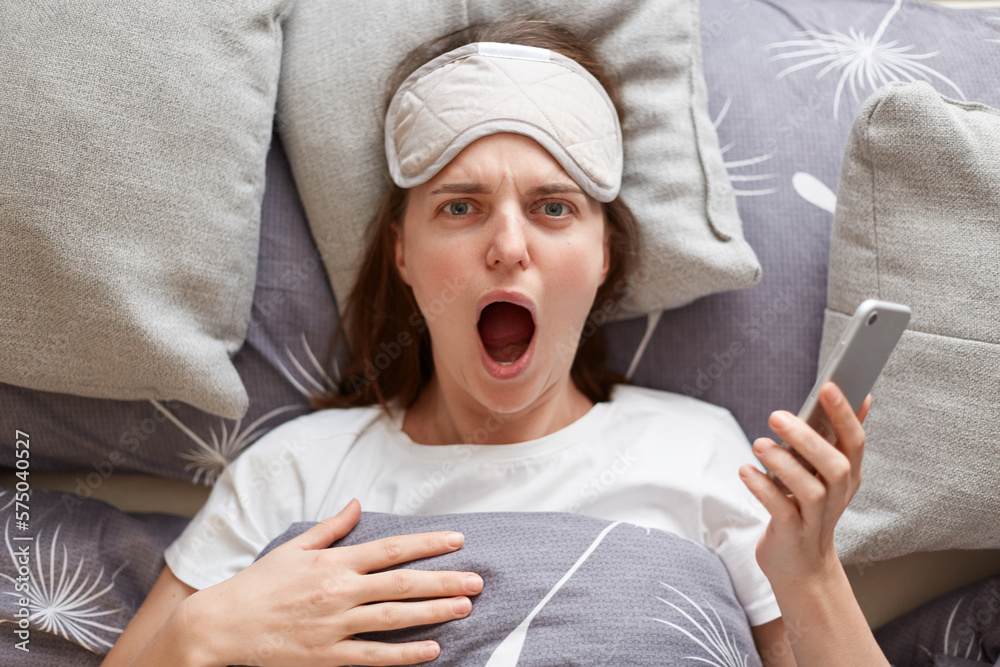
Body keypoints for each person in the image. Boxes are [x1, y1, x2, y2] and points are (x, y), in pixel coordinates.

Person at [101, 18, 890, 667]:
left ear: (604, 255)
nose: (508, 245)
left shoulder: (702, 453)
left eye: (553, 208)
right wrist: (201, 636)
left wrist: (811, 571)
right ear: (402, 252)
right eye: (460, 206)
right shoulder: (292, 474)